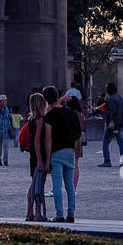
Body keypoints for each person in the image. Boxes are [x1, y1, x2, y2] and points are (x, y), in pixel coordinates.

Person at [40, 86, 79, 223]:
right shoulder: (69, 113)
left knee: (57, 186)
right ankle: (71, 214)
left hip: (56, 152)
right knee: (70, 185)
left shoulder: (50, 115)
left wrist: (47, 159)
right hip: (70, 150)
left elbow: (48, 139)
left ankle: (59, 214)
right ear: (57, 95)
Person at [26, 93, 49, 222]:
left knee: (33, 184)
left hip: (33, 155)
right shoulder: (40, 120)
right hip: (39, 155)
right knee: (39, 185)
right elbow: (37, 140)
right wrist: (41, 160)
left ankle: (29, 212)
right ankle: (37, 213)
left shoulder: (31, 119)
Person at [99, 82, 123, 166]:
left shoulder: (112, 99)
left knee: (105, 142)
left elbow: (111, 113)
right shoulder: (119, 97)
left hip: (112, 125)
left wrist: (101, 111)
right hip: (119, 124)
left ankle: (107, 161)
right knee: (120, 142)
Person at [0, 93, 14, 166]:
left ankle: (5, 160)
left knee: (6, 146)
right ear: (0, 102)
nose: (5, 102)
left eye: (6, 101)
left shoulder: (7, 109)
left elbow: (7, 118)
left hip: (5, 130)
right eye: (3, 101)